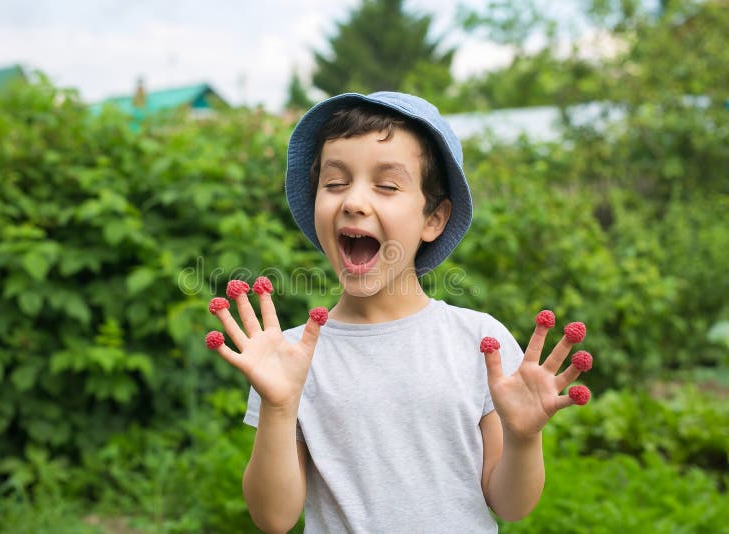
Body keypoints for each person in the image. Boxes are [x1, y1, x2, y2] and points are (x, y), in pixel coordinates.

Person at [205, 92, 591, 533]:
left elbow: (511, 505)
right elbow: (274, 518)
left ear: (434, 219)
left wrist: (524, 439)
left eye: (386, 186)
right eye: (334, 184)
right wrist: (278, 406)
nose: (353, 202)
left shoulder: (480, 343)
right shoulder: (288, 358)